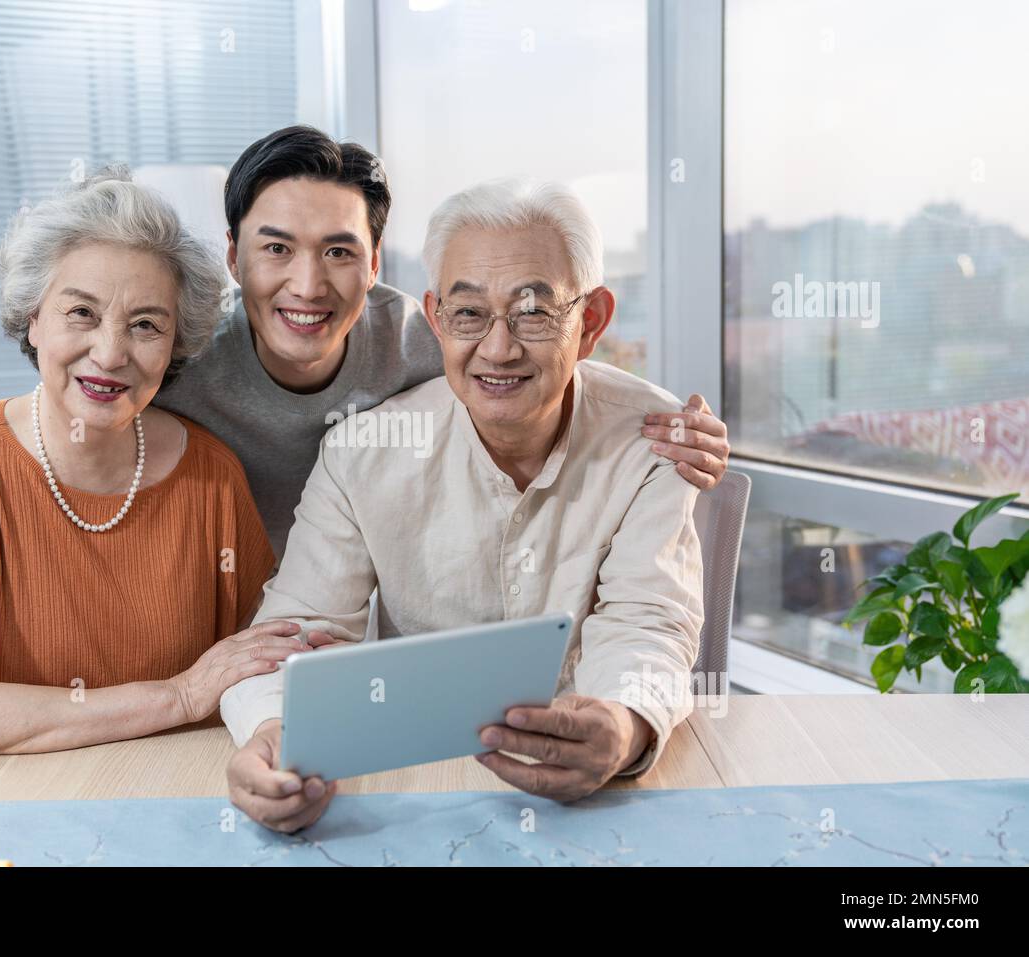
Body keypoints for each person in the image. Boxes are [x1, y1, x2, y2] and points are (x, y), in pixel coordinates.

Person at [0, 127, 731, 562]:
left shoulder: (435, 341)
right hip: (212, 624)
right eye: (276, 248)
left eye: (340, 252)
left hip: (370, 617)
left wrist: (671, 423)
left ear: (378, 263)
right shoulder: (177, 351)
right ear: (232, 252)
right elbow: (63, 381)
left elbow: (548, 364)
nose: (308, 286)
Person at [224, 180, 705, 832]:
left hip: (593, 798)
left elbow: (648, 621)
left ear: (590, 321)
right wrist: (274, 736)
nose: (499, 348)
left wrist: (624, 723)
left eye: (533, 311)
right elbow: (291, 637)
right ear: (435, 317)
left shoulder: (656, 438)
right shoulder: (363, 451)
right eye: (469, 314)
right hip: (410, 790)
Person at [0, 167, 328, 757]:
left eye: (146, 324)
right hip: (14, 802)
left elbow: (252, 667)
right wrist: (178, 696)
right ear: (33, 317)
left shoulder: (211, 474)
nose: (110, 352)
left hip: (181, 789)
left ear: (177, 344)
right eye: (81, 313)